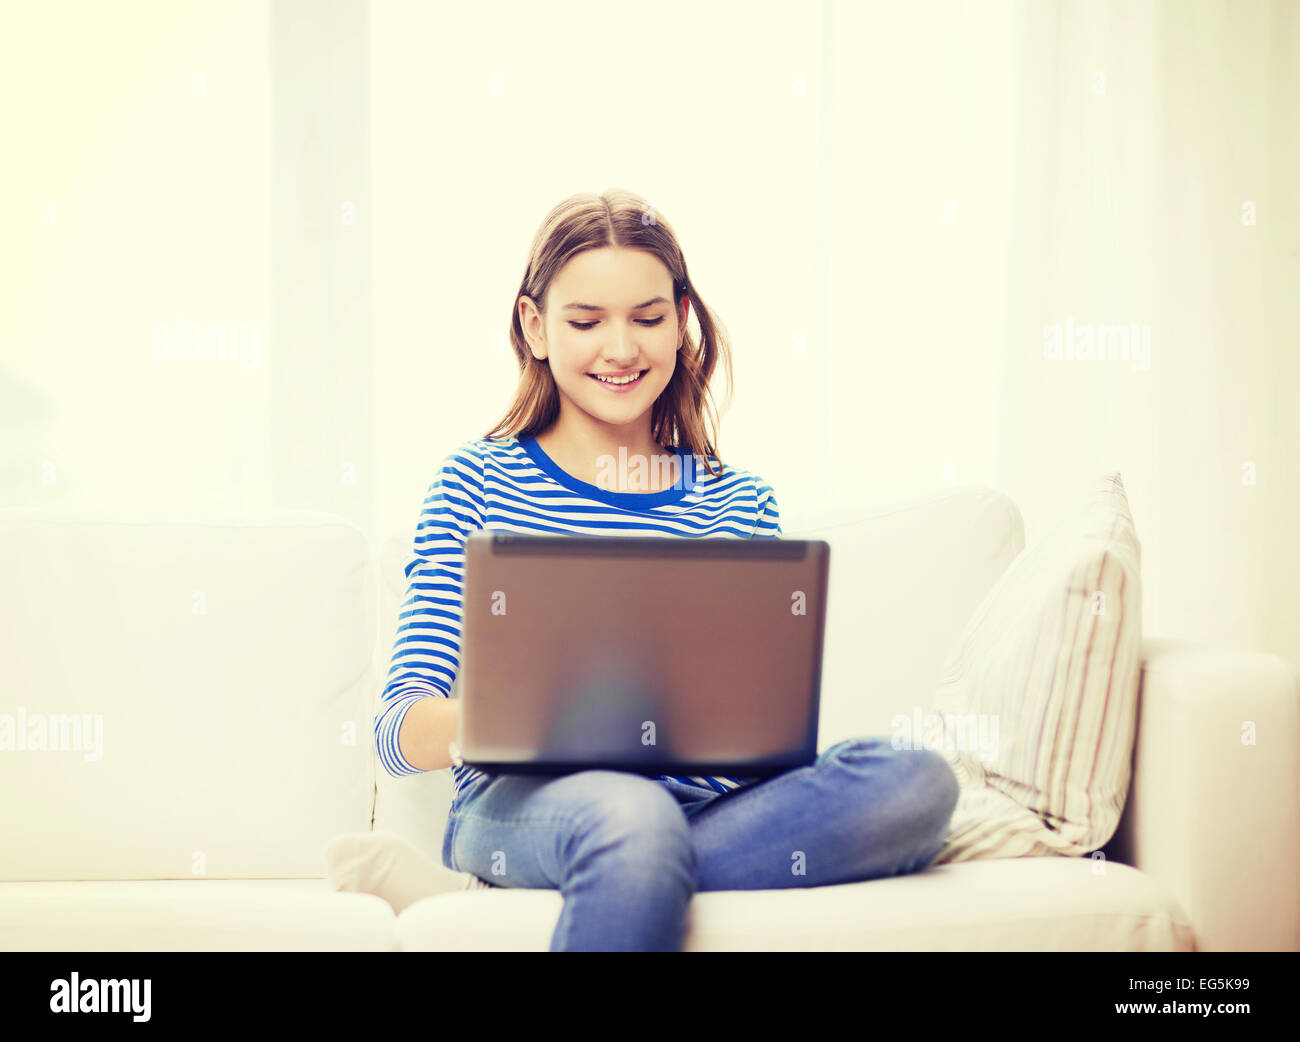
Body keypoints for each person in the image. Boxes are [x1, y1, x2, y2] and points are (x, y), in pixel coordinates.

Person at [369, 188, 960, 951]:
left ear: (682, 322)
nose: (621, 349)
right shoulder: (475, 483)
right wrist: (540, 716)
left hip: (701, 810)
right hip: (523, 804)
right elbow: (397, 729)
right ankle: (630, 853)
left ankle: (636, 869)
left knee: (917, 781)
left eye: (648, 319)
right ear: (534, 326)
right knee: (630, 816)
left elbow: (754, 728)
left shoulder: (741, 503)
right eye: (586, 322)